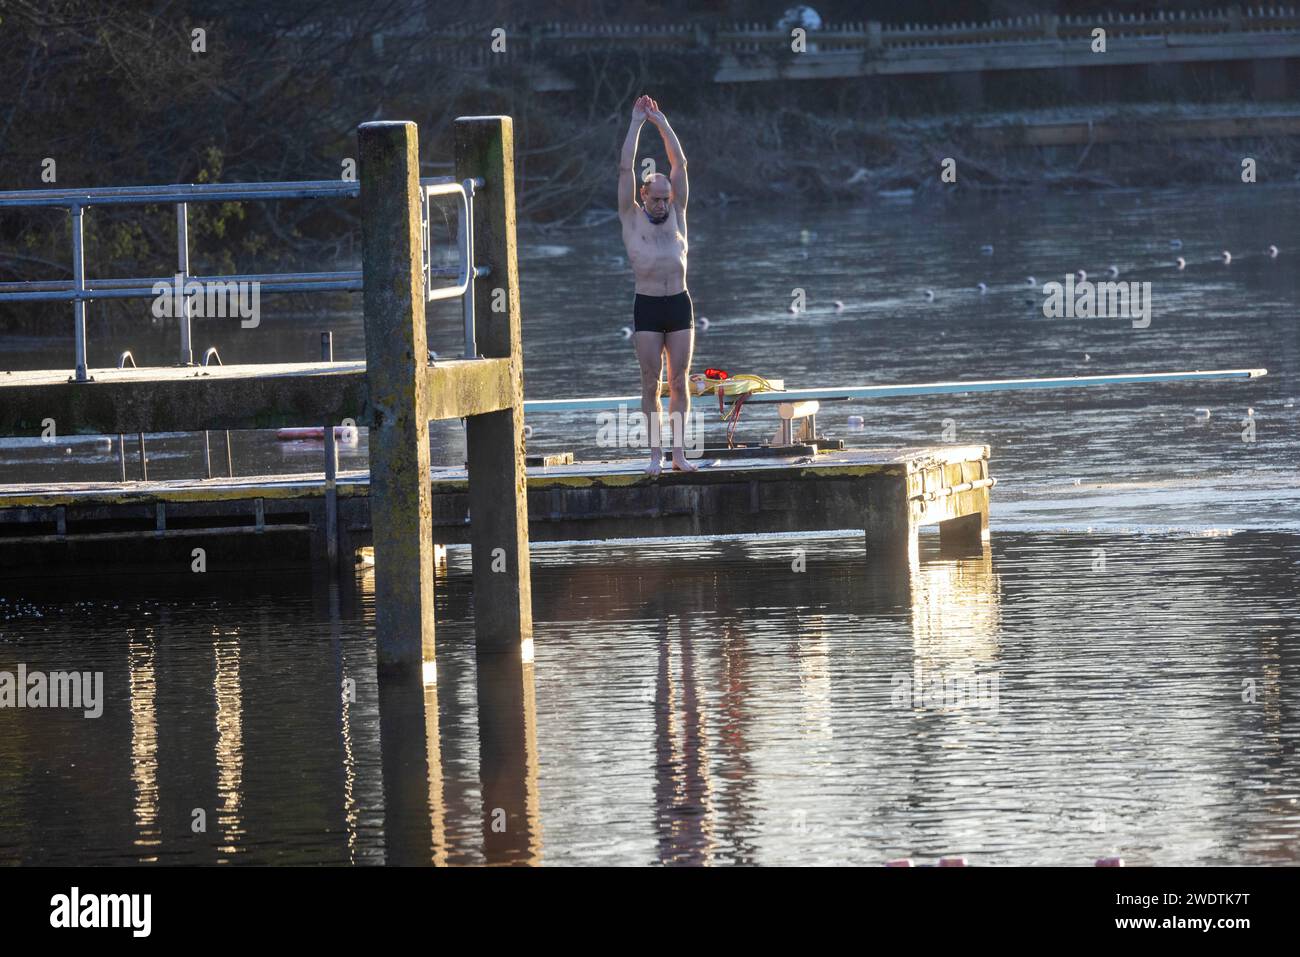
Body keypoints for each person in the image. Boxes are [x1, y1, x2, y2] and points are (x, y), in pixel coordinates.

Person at [618, 94, 698, 476]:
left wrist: (661, 122)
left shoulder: (677, 212)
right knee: (651, 382)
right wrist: (636, 124)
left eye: (668, 198)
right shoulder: (630, 217)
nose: (663, 204)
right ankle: (655, 455)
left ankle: (680, 454)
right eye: (657, 198)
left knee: (679, 381)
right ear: (644, 196)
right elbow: (623, 170)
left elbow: (679, 163)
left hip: (679, 305)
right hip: (647, 306)